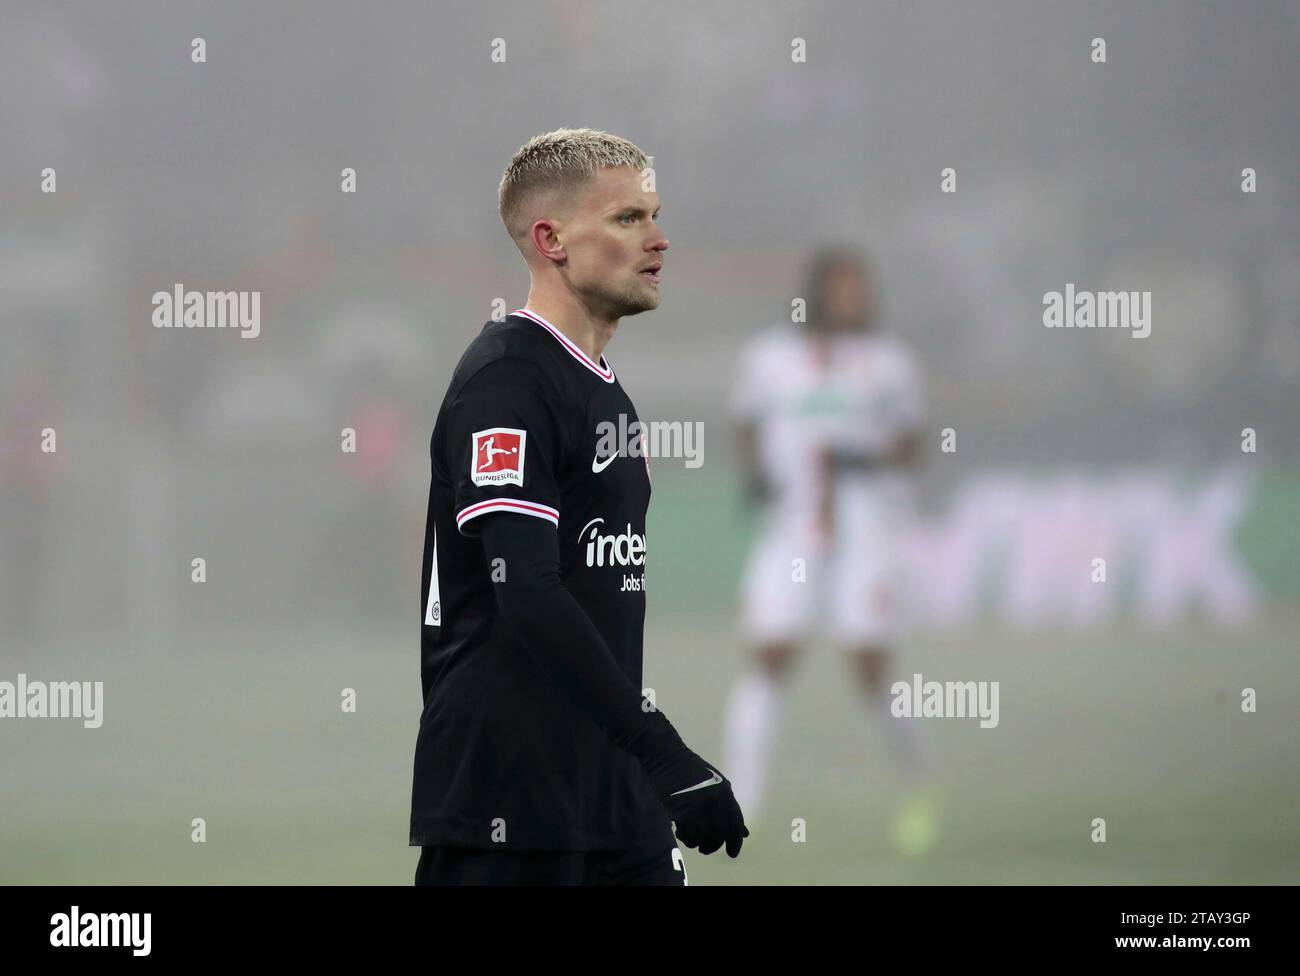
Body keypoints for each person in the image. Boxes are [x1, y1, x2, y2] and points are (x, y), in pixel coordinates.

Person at [410, 128, 747, 885]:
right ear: (550, 238)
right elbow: (526, 590)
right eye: (628, 219)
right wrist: (663, 749)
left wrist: (640, 770)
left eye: (654, 214)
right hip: (508, 812)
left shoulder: (600, 387)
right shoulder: (507, 382)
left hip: (612, 799)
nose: (659, 239)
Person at [723, 246, 938, 854]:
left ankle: (917, 782)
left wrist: (865, 458)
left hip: (865, 533)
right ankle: (741, 803)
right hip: (790, 531)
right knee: (769, 652)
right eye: (845, 288)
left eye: (862, 288)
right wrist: (755, 472)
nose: (856, 298)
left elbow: (914, 443)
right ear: (818, 291)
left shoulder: (888, 362)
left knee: (868, 662)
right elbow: (745, 420)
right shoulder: (770, 358)